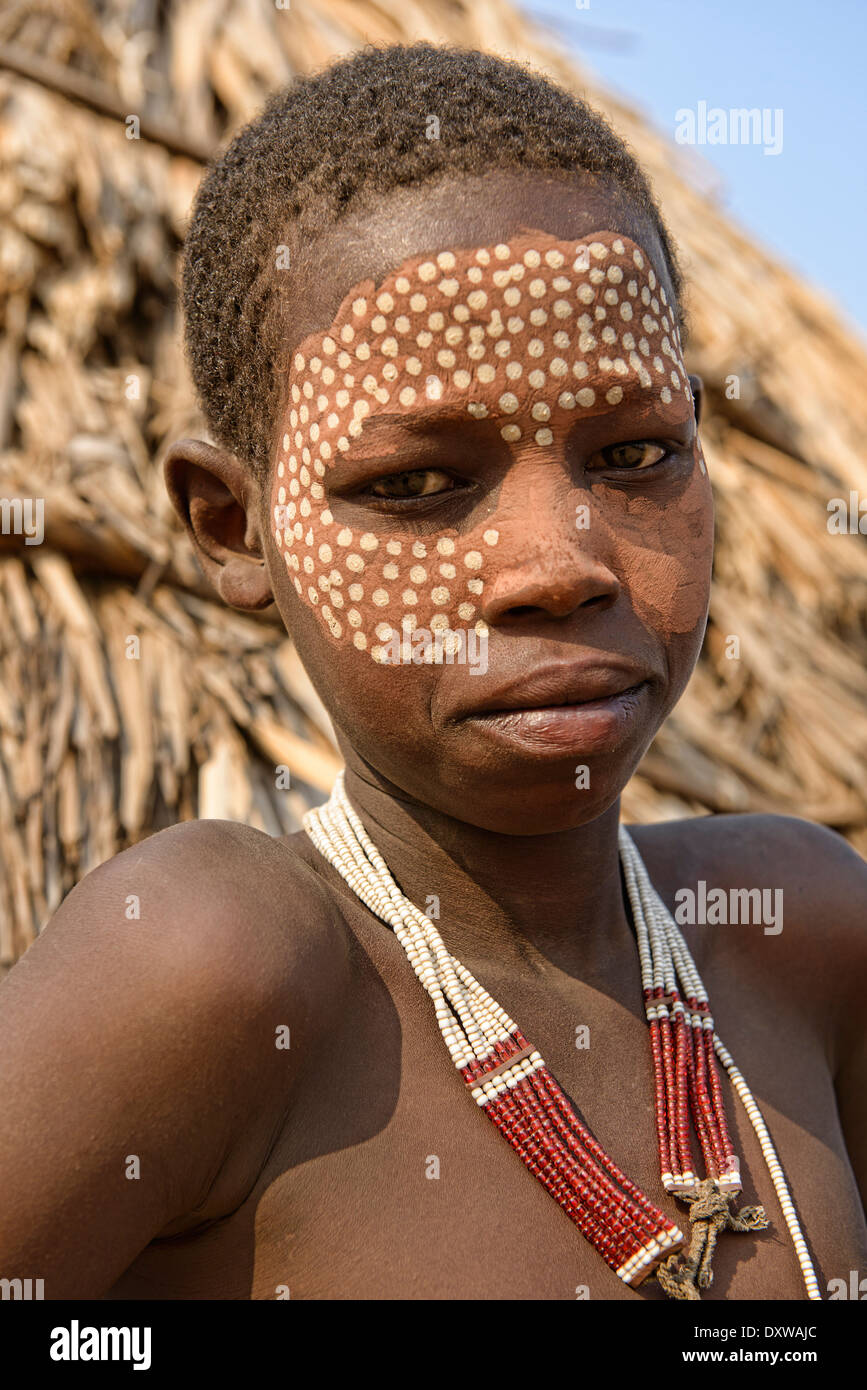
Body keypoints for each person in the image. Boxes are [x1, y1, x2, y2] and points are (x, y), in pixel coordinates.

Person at [1, 43, 864, 1301]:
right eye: (414, 485)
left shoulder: (803, 933)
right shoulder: (210, 970)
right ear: (237, 530)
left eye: (633, 455)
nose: (556, 564)